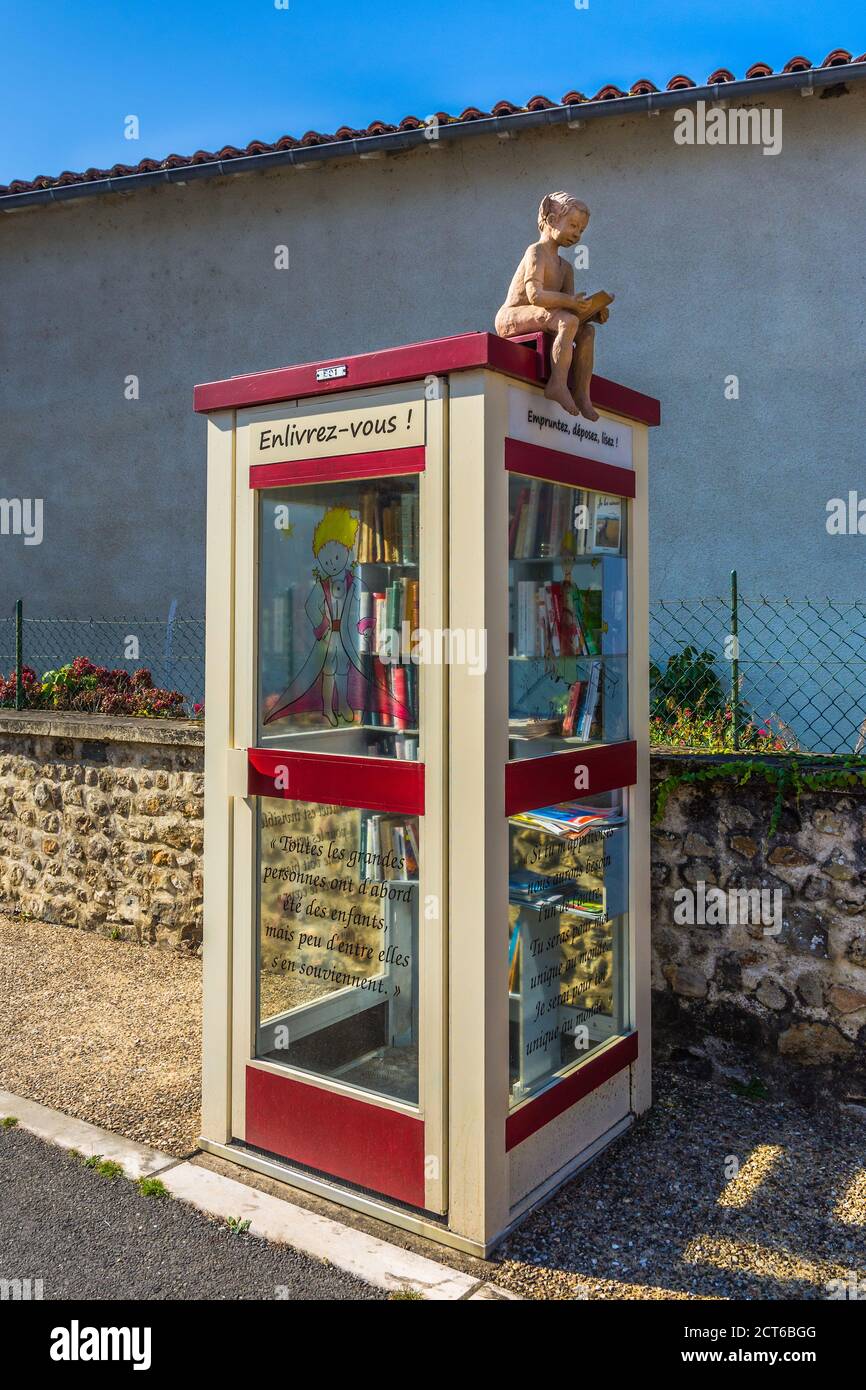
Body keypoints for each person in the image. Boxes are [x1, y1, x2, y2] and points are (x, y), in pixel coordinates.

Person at [495, 191, 613, 420]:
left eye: (581, 230)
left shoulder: (566, 268)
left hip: (546, 315)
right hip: (511, 317)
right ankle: (557, 384)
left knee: (586, 332)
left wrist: (592, 313)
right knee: (567, 321)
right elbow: (535, 295)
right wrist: (570, 303)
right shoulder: (536, 252)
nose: (577, 234)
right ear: (551, 221)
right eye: (573, 226)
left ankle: (581, 394)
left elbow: (570, 310)